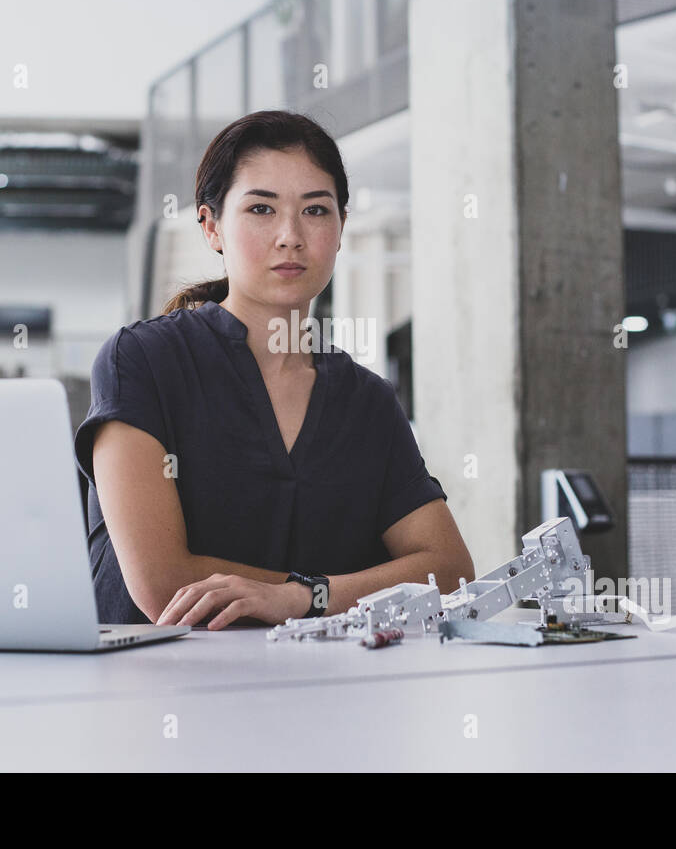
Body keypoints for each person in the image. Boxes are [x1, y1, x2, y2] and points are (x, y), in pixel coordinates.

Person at [73, 109, 474, 629]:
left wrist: (307, 597)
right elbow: (165, 585)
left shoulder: (365, 402)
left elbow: (448, 571)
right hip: (159, 696)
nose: (290, 236)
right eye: (261, 209)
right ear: (212, 226)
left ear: (341, 226)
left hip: (317, 699)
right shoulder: (142, 363)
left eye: (316, 211)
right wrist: (329, 591)